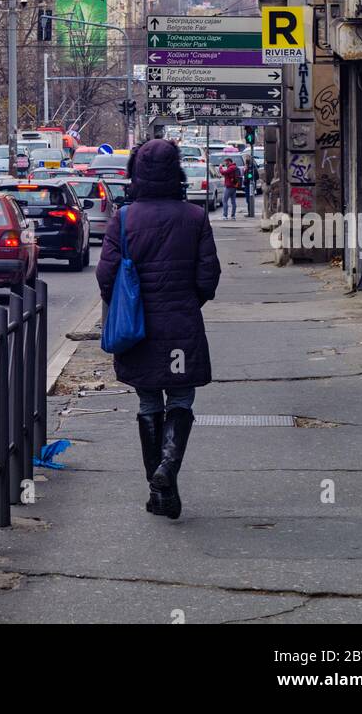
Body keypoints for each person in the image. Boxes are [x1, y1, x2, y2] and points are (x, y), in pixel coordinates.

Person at [96, 139, 221, 520]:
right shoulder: (195, 217)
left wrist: (126, 305)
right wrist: (186, 301)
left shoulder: (124, 218)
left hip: (137, 330)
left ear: (136, 173)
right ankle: (166, 474)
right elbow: (208, 276)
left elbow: (106, 275)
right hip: (181, 324)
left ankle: (160, 487)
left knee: (149, 402)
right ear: (176, 172)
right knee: (180, 400)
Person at [242, 151, 256, 218]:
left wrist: (247, 178)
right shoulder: (251, 166)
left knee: (249, 199)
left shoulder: (250, 167)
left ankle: (250, 213)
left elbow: (249, 176)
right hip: (249, 184)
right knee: (249, 199)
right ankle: (250, 212)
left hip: (249, 185)